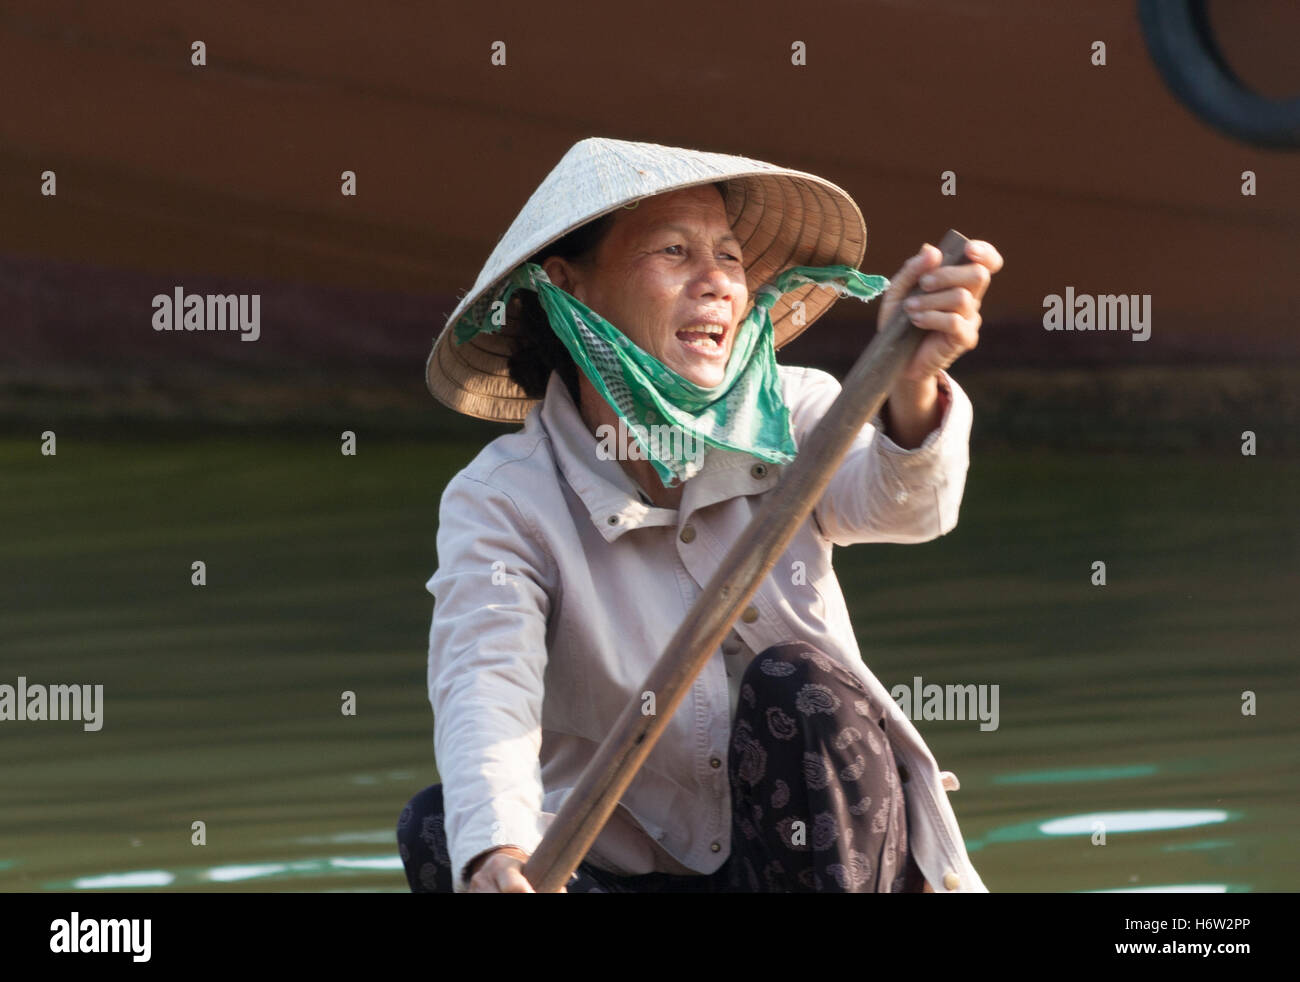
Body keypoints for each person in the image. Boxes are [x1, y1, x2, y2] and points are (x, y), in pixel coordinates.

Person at [398, 137, 1003, 893]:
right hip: (634, 868)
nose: (718, 283)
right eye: (675, 252)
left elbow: (909, 508)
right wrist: (496, 854)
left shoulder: (795, 412)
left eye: (730, 257)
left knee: (802, 688)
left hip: (820, 861)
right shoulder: (502, 500)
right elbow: (484, 683)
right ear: (569, 285)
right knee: (442, 827)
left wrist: (912, 386)